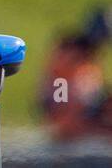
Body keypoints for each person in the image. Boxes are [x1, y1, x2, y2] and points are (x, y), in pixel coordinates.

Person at [41, 7, 112, 141]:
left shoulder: (90, 62)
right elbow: (59, 95)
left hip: (85, 122)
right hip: (68, 127)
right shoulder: (68, 55)